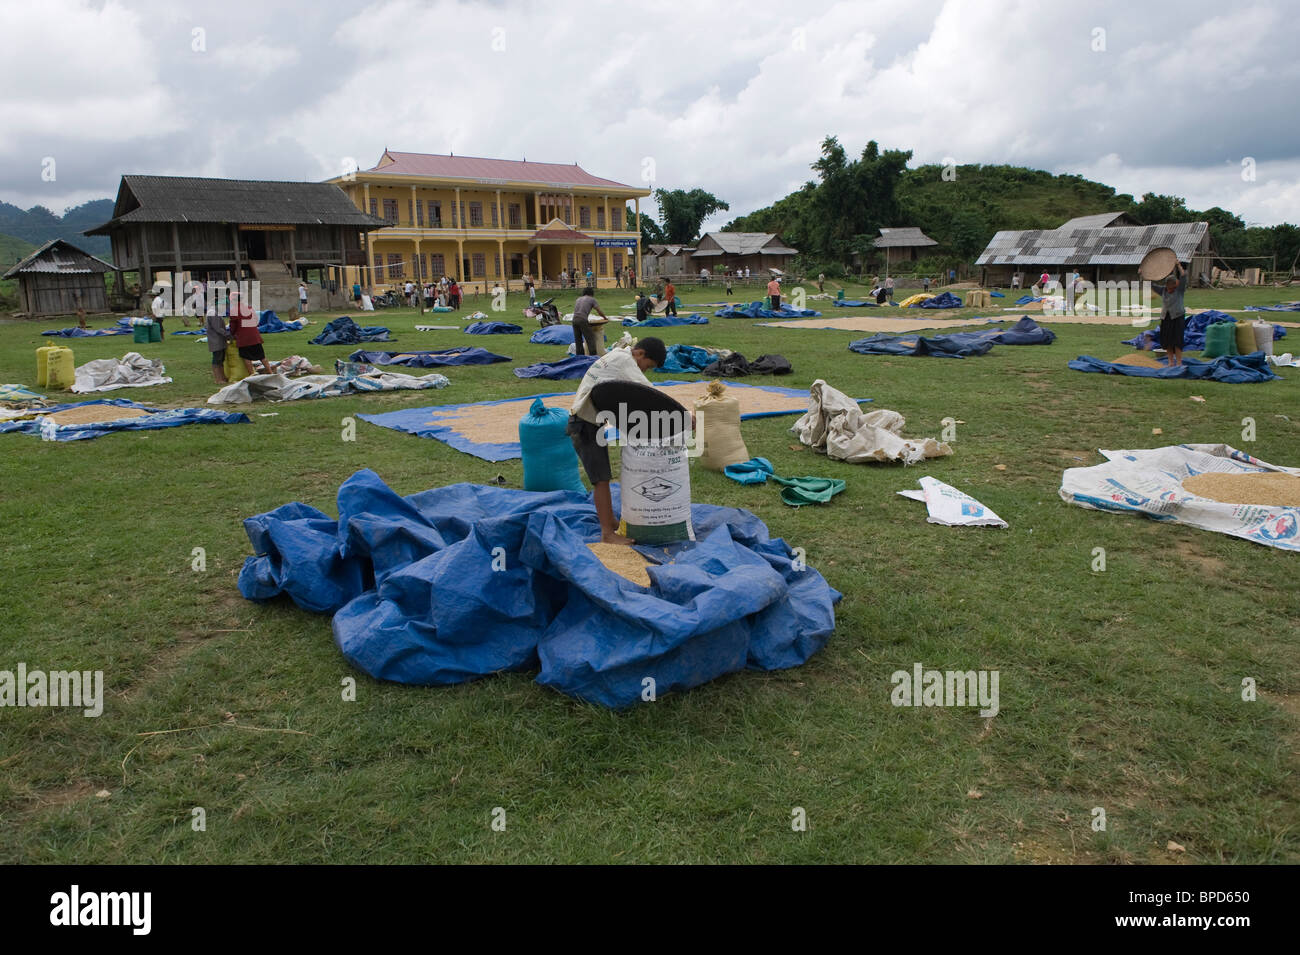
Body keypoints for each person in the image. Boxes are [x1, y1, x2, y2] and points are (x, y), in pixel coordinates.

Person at [566, 336, 668, 545]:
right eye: (647, 366)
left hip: (586, 421)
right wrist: (682, 414)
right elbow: (648, 391)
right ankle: (607, 534)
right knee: (601, 479)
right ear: (640, 354)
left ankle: (610, 521)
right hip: (584, 424)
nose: (644, 371)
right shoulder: (625, 361)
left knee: (603, 476)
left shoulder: (618, 354)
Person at [228, 290, 274, 376]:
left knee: (246, 357)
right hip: (254, 335)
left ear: (233, 300)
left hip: (243, 338)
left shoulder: (234, 310)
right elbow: (256, 320)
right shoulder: (249, 308)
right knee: (261, 356)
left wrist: (232, 334)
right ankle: (270, 372)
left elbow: (233, 327)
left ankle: (252, 374)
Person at [1155, 261, 1189, 367]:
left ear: (1175, 284)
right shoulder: (1163, 290)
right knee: (1168, 341)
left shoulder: (1179, 290)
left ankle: (1179, 362)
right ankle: (1170, 362)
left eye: (1172, 285)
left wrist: (1178, 265)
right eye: (1168, 286)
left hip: (1178, 317)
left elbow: (1183, 276)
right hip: (1166, 318)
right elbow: (1151, 284)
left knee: (1177, 341)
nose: (1170, 288)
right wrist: (1143, 274)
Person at [572, 286, 608, 355]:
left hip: (574, 320)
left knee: (578, 340)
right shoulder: (592, 299)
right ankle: (593, 357)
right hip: (582, 320)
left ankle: (579, 358)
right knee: (590, 339)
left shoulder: (578, 299)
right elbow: (599, 311)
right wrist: (605, 318)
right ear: (592, 293)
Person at [205, 304, 232, 384]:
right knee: (217, 360)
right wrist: (228, 335)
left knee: (220, 359)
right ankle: (218, 379)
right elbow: (218, 328)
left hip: (219, 340)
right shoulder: (213, 313)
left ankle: (222, 377)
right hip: (216, 340)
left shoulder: (215, 312)